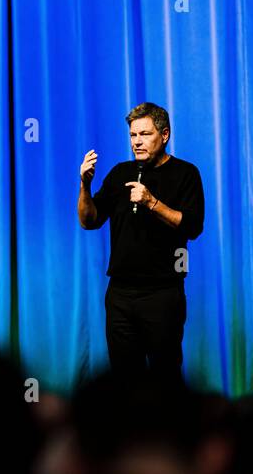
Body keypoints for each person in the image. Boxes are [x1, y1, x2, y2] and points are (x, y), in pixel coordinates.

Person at [78, 102, 205, 381]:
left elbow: (193, 226)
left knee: (165, 377)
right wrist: (85, 185)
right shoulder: (119, 173)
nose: (137, 142)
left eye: (145, 134)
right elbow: (89, 221)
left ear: (165, 135)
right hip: (120, 294)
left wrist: (151, 202)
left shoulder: (186, 174)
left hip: (163, 293)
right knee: (125, 380)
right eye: (133, 135)